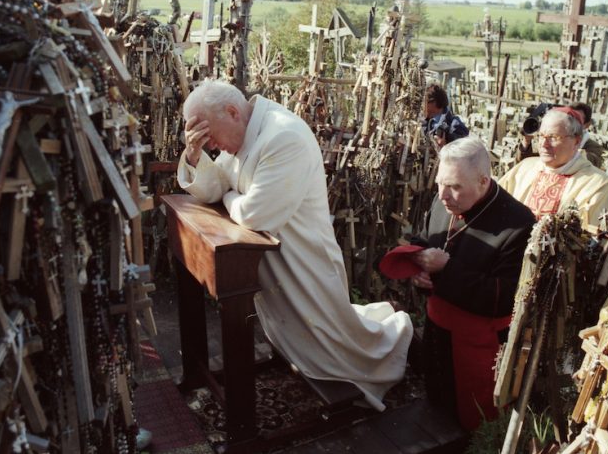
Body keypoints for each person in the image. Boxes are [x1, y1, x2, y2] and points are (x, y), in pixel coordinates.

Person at [178, 79, 413, 411]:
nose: (212, 145)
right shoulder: (244, 131)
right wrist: (194, 155)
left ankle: (390, 348)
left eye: (210, 136)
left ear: (232, 112)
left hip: (305, 262)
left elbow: (255, 215)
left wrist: (231, 197)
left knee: (337, 349)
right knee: (301, 341)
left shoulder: (284, 136)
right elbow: (218, 186)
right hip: (274, 260)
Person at [401, 137, 536, 430]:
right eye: (440, 183)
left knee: (474, 419)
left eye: (454, 186)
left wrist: (444, 270)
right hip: (437, 328)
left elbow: (502, 297)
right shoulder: (444, 200)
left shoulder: (519, 223)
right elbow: (423, 238)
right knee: (437, 403)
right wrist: (420, 266)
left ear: (483, 181)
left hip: (477, 345)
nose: (443, 195)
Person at [499, 107, 608, 230]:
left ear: (576, 141)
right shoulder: (524, 168)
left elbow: (593, 235)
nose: (544, 144)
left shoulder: (597, 184)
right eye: (541, 136)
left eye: (553, 137)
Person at [569, 102, 606, 168]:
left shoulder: (593, 147)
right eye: (570, 117)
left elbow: (593, 162)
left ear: (587, 125)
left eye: (578, 119)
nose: (572, 123)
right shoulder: (555, 137)